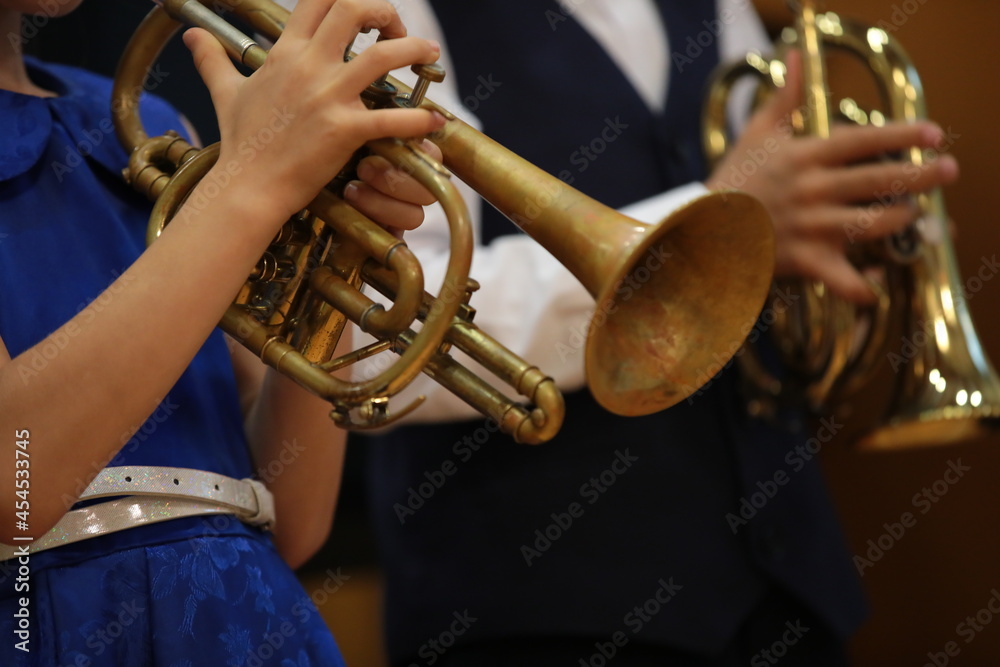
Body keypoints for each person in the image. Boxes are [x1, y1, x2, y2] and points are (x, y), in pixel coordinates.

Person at [349, 1, 961, 665]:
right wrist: (709, 231)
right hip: (537, 609)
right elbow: (370, 333)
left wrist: (839, 231)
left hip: (790, 588)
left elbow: (774, 216)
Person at [0, 0, 446, 663]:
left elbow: (289, 515)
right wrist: (257, 180)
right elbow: (16, 481)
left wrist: (331, 230)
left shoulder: (140, 121)